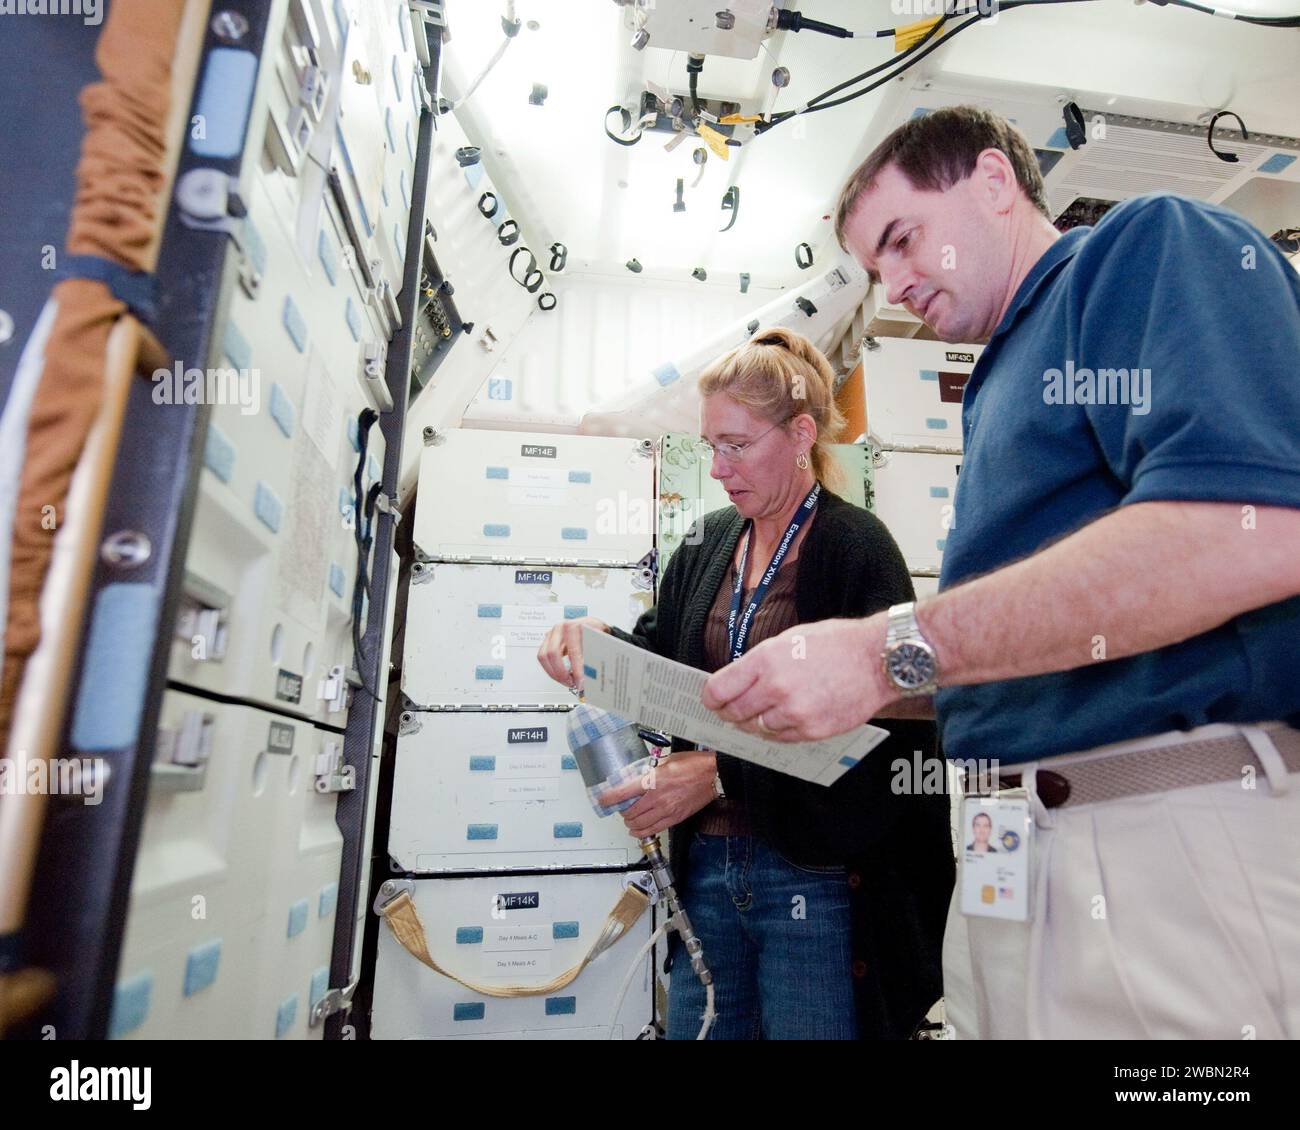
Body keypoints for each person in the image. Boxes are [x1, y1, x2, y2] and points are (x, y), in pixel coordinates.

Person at [700, 106, 1300, 1039]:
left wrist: (881, 651)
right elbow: (1038, 655)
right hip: (1006, 850)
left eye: (903, 241)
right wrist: (840, 686)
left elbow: (1247, 531)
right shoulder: (1000, 376)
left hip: (1150, 841)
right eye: (875, 270)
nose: (894, 287)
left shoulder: (1139, 250)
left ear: (992, 181)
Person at [537, 327, 954, 1040]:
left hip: (817, 879)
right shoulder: (706, 542)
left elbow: (887, 743)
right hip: (707, 869)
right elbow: (667, 657)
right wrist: (602, 648)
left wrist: (720, 776)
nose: (720, 466)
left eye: (736, 444)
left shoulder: (856, 548)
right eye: (709, 446)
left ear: (799, 434)